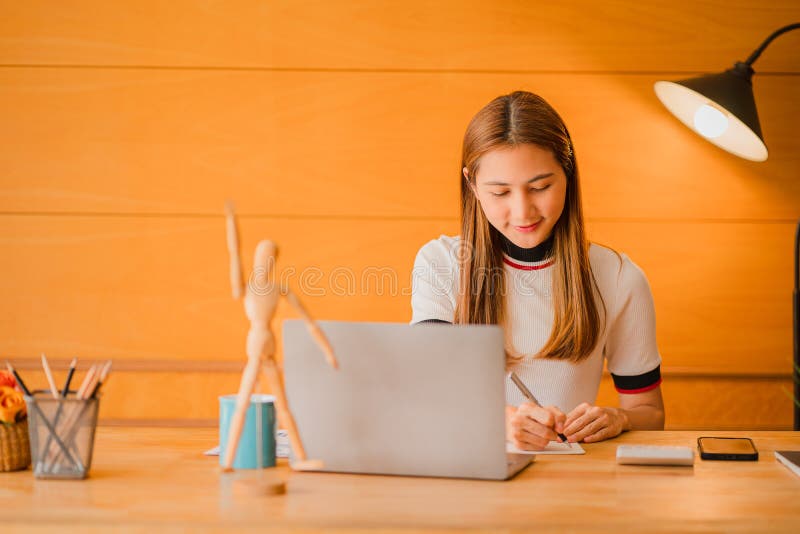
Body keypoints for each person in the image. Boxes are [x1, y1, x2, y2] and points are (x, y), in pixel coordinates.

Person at [410, 91, 665, 450]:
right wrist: (503, 422)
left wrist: (619, 418)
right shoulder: (441, 263)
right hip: (464, 479)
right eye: (500, 193)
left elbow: (649, 412)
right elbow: (425, 395)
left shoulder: (619, 278)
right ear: (472, 185)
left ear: (569, 175)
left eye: (540, 187)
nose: (523, 211)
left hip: (567, 484)